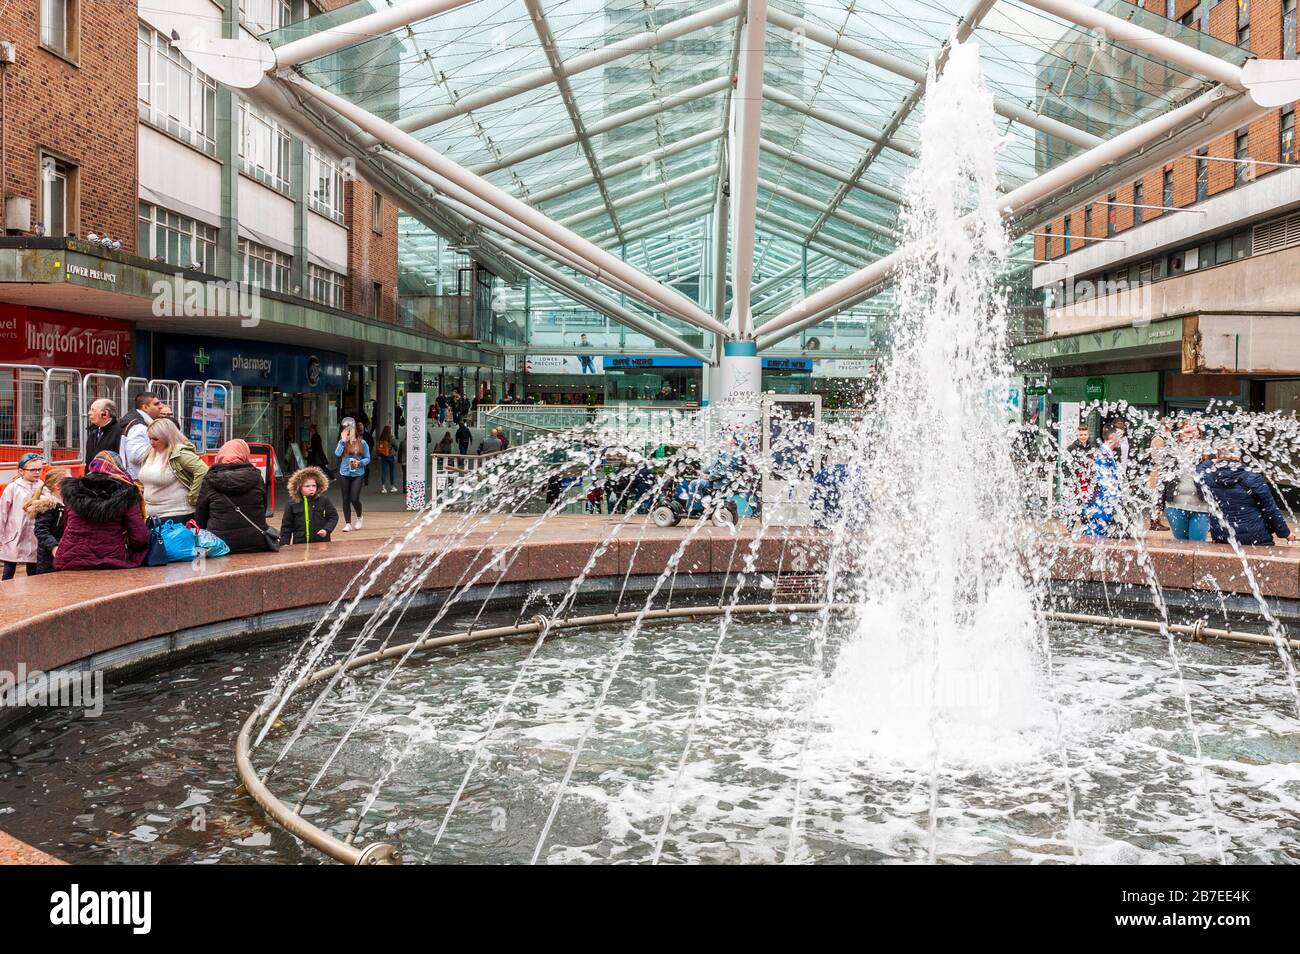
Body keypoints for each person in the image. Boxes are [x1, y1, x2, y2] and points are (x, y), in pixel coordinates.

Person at [55, 452, 150, 570]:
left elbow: (66, 525)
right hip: (111, 559)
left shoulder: (73, 491)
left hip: (69, 559)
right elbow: (139, 538)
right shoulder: (127, 493)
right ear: (118, 468)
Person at [1200, 448, 1295, 547]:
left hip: (1223, 536)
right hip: (1255, 537)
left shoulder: (1208, 477)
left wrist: (1210, 461)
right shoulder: (1253, 478)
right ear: (1238, 456)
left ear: (1218, 456)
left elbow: (1198, 471)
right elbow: (1270, 509)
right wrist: (1286, 533)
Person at [195, 439, 272, 553]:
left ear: (220, 456)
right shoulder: (257, 477)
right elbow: (263, 508)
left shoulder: (210, 480)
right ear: (245, 455)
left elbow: (201, 514)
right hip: (255, 540)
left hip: (219, 543)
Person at [140, 418, 209, 526]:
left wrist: (193, 497)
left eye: (156, 439)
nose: (151, 442)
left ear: (166, 437)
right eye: (149, 438)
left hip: (177, 515)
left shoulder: (180, 453)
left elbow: (203, 471)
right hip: (153, 516)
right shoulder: (150, 452)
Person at [1160, 418, 1211, 542]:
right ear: (1180, 433)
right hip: (1175, 506)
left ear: (1199, 433)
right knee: (1180, 545)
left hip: (1201, 507)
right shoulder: (1172, 452)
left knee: (1197, 545)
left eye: (1194, 426)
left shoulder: (1207, 453)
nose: (1189, 428)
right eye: (1186, 426)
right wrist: (1158, 505)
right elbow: (1163, 480)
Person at [0, 453, 48, 579]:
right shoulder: (13, 488)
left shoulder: (43, 487)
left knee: (33, 571)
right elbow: (2, 513)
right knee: (9, 569)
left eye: (39, 469)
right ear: (21, 471)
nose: (37, 472)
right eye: (33, 470)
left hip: (34, 535)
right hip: (14, 534)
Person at [1082, 425, 1124, 538]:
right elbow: (1105, 483)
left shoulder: (1107, 454)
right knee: (1095, 540)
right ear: (1112, 437)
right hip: (1099, 509)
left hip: (1104, 508)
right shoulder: (1101, 455)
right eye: (1119, 436)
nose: (1121, 439)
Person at [280, 466, 339, 545]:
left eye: (313, 485)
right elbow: (286, 527)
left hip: (321, 543)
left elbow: (333, 516)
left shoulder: (324, 500)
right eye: (307, 486)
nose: (311, 489)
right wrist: (284, 544)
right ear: (299, 488)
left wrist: (326, 529)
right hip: (300, 543)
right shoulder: (292, 504)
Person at [26, 468, 69, 575]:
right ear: (58, 486)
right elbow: (41, 530)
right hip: (48, 557)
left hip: (65, 552)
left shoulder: (68, 504)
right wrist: (53, 546)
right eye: (69, 482)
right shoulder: (47, 505)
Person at [118, 391, 167, 480]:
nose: (160, 406)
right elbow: (136, 455)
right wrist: (163, 449)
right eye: (156, 404)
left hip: (137, 477)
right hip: (138, 479)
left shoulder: (141, 423)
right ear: (145, 407)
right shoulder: (138, 426)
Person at [335, 420, 370, 532]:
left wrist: (359, 463)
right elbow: (337, 453)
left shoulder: (362, 443)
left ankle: (359, 517)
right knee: (345, 499)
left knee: (354, 498)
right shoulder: (342, 442)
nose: (348, 433)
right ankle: (348, 523)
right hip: (344, 472)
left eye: (350, 431)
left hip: (358, 473)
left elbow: (367, 458)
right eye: (346, 431)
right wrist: (342, 441)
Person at [1064, 422, 1094, 527]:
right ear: (1077, 435)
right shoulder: (1071, 448)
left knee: (1086, 504)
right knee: (1073, 504)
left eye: (1085, 434)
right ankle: (1070, 525)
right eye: (1081, 435)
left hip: (1087, 482)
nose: (1083, 437)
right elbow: (1065, 467)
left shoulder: (1093, 447)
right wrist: (1071, 480)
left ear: (1088, 435)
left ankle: (1085, 525)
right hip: (1075, 482)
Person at [85, 398, 123, 464]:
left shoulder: (119, 432)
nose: (89, 413)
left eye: (93, 410)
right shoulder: (93, 432)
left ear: (105, 413)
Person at [375, 423, 398, 494]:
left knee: (384, 472)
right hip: (390, 457)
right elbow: (396, 447)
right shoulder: (391, 438)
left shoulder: (381, 438)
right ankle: (392, 486)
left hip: (383, 457)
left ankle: (383, 487)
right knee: (391, 472)